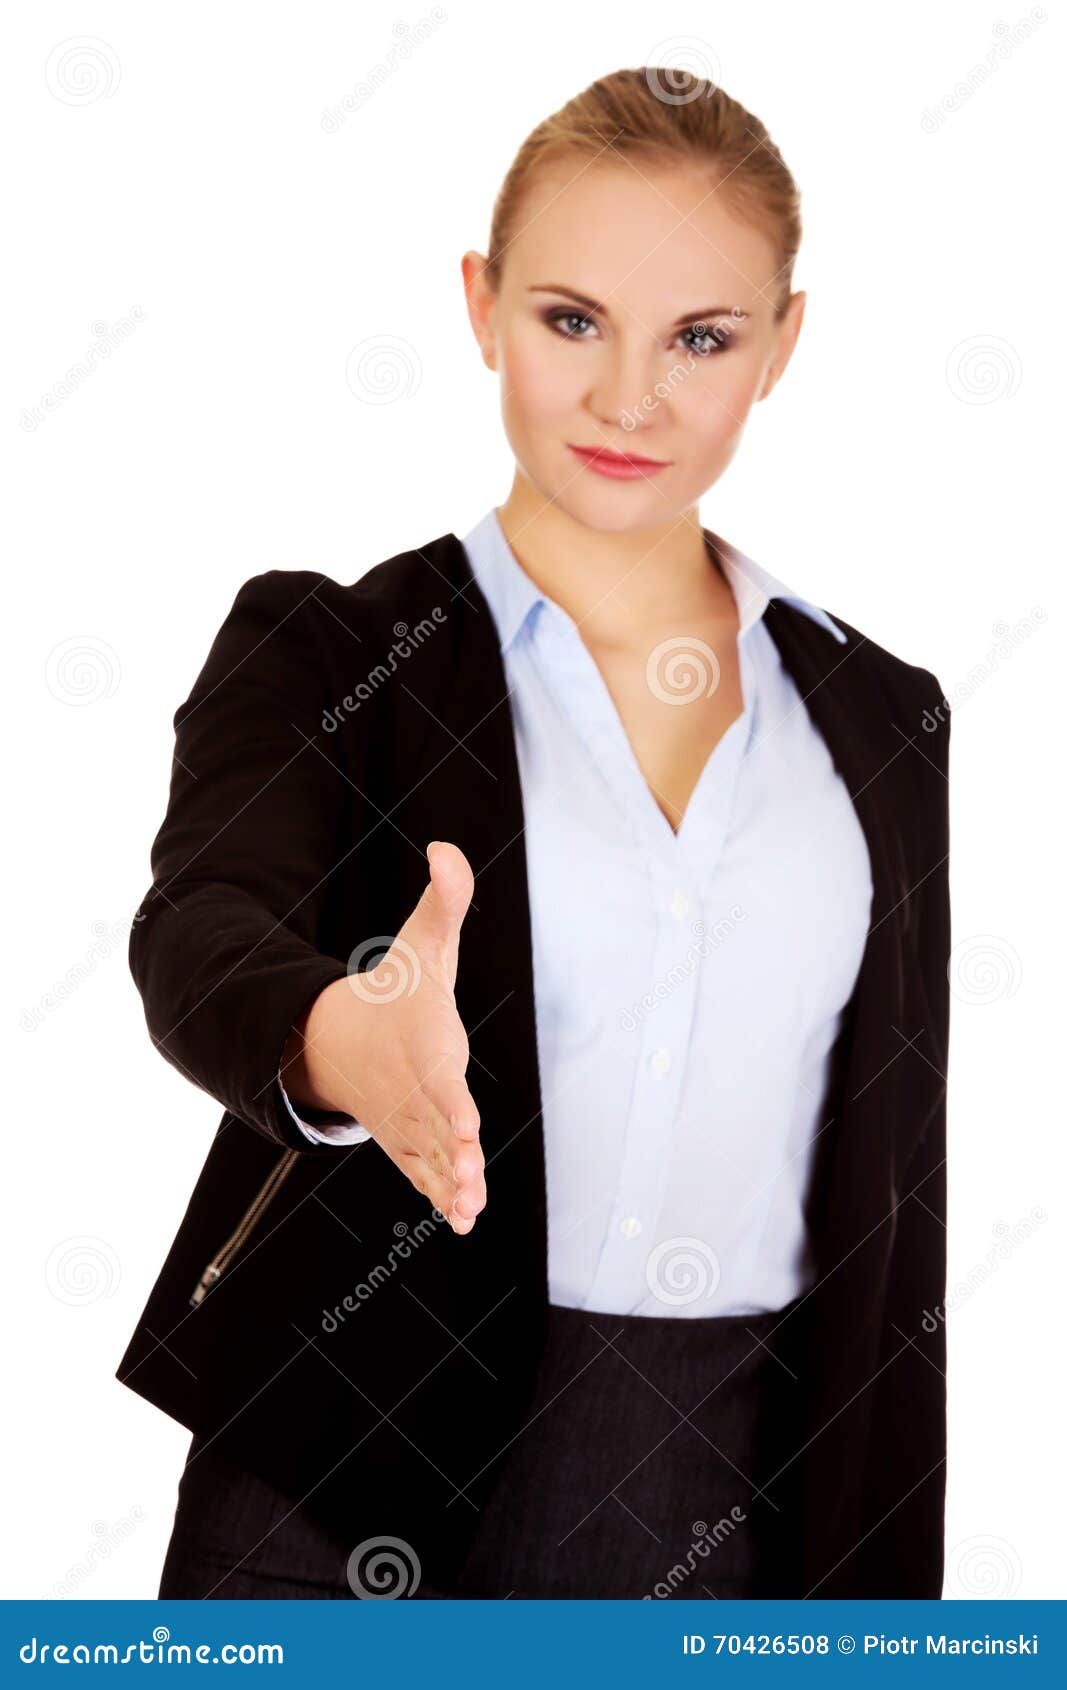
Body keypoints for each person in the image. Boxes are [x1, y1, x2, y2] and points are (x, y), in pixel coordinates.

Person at [117, 66, 951, 1600]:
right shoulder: (329, 653)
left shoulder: (888, 721)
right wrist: (334, 1039)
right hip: (346, 1469)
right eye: (572, 320)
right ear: (481, 306)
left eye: (700, 338)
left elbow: (893, 1180)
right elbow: (200, 927)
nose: (630, 399)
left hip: (742, 1493)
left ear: (782, 348)